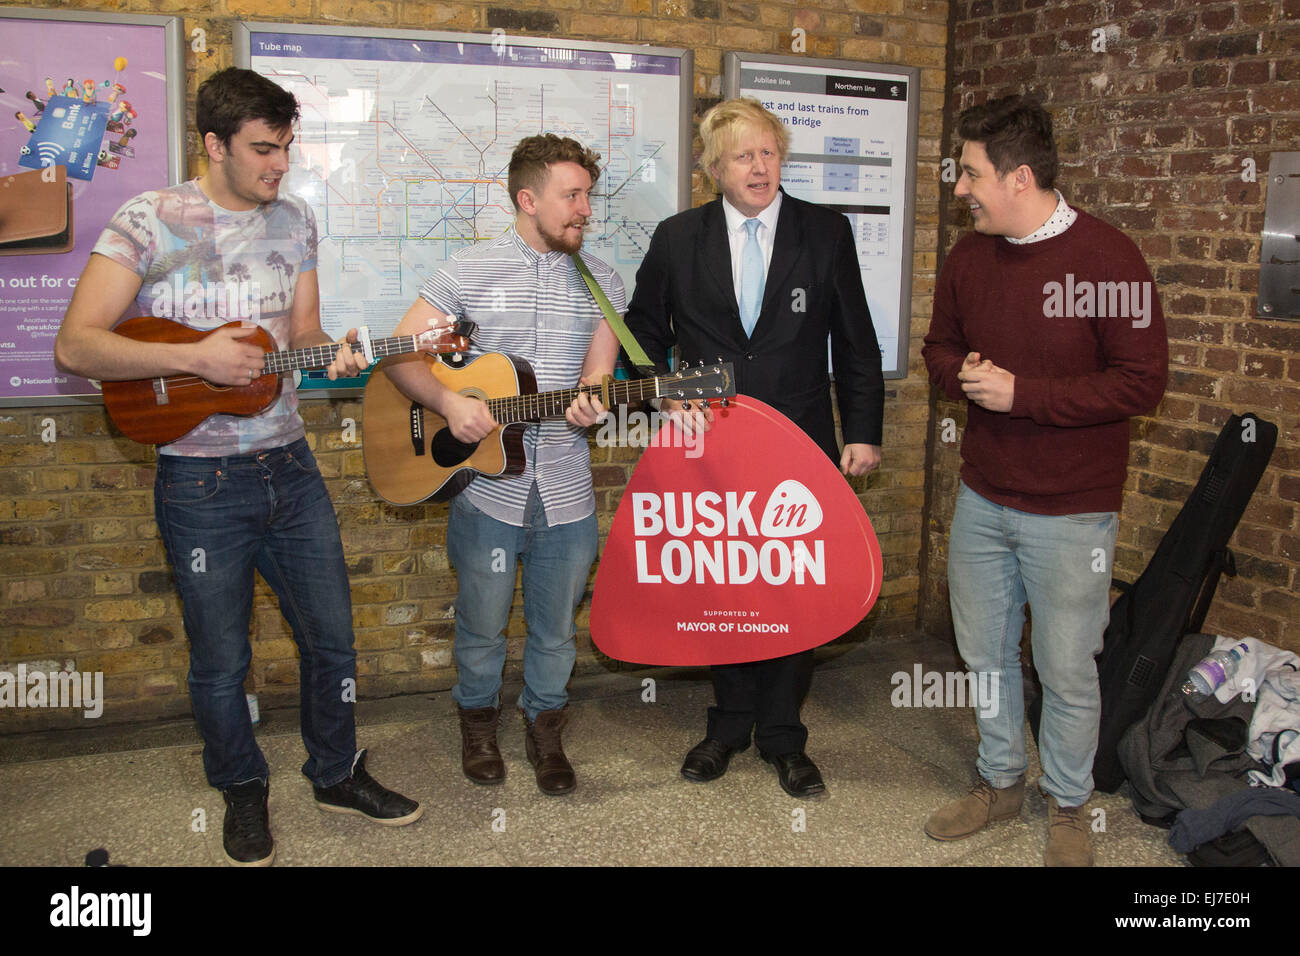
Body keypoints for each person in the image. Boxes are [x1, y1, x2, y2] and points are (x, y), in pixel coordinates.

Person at [54, 67, 421, 867]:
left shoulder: (297, 222)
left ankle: (335, 772)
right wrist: (196, 357)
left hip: (288, 465)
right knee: (221, 660)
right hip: (197, 482)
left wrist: (345, 356)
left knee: (333, 642)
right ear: (214, 145)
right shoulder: (148, 220)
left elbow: (305, 338)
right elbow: (76, 344)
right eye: (262, 149)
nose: (278, 166)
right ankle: (241, 788)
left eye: (286, 148)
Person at [921, 94, 1168, 866]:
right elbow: (938, 348)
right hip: (983, 497)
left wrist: (1028, 395)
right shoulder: (970, 257)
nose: (959, 188)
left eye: (970, 173)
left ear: (1018, 177)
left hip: (1073, 514)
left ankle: (1068, 802)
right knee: (985, 654)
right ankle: (1000, 782)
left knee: (1065, 667)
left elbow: (1141, 383)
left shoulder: (1109, 260)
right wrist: (963, 374)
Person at [623, 97, 885, 798]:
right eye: (743, 155)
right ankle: (728, 724)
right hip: (706, 447)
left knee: (792, 588)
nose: (760, 166)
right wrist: (660, 387)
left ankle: (783, 737)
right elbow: (641, 332)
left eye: (769, 152)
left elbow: (855, 340)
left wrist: (861, 431)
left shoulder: (825, 232)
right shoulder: (678, 238)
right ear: (714, 168)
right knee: (722, 583)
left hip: (800, 443)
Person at [383, 134, 621, 796]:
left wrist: (593, 403)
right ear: (527, 199)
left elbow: (598, 376)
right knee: (482, 622)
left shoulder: (603, 279)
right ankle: (478, 722)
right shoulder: (468, 273)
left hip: (568, 487)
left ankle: (546, 726)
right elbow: (400, 357)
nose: (585, 210)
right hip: (488, 491)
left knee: (556, 630)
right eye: (571, 196)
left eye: (588, 197)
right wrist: (447, 402)